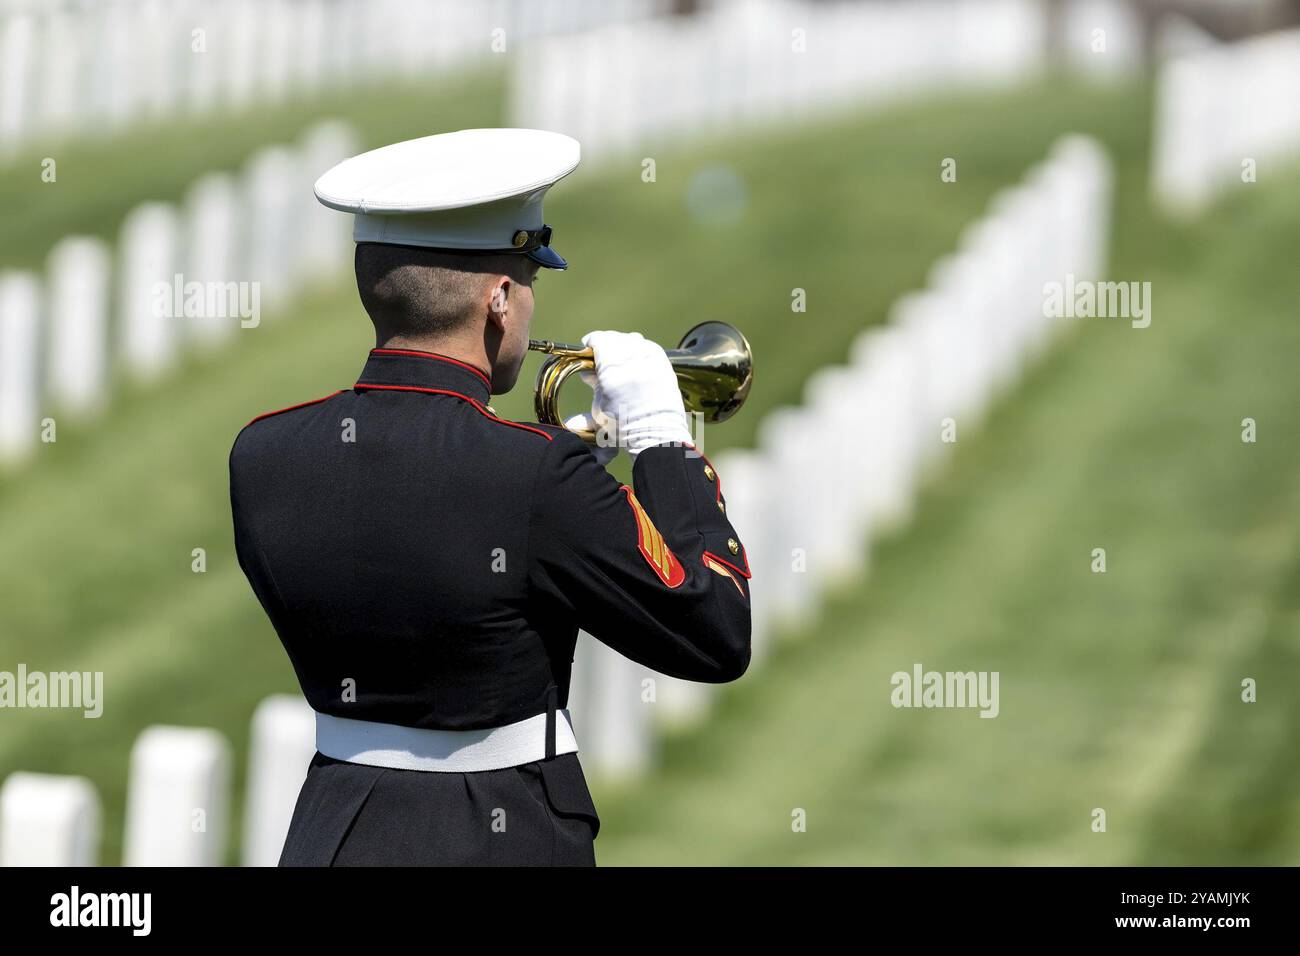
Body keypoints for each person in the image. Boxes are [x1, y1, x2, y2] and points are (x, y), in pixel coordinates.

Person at [228, 128, 752, 866]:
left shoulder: (262, 452)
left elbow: (419, 501)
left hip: (334, 830)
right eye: (530, 278)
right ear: (500, 298)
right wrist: (664, 444)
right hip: (502, 833)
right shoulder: (539, 477)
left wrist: (560, 470)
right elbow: (715, 632)